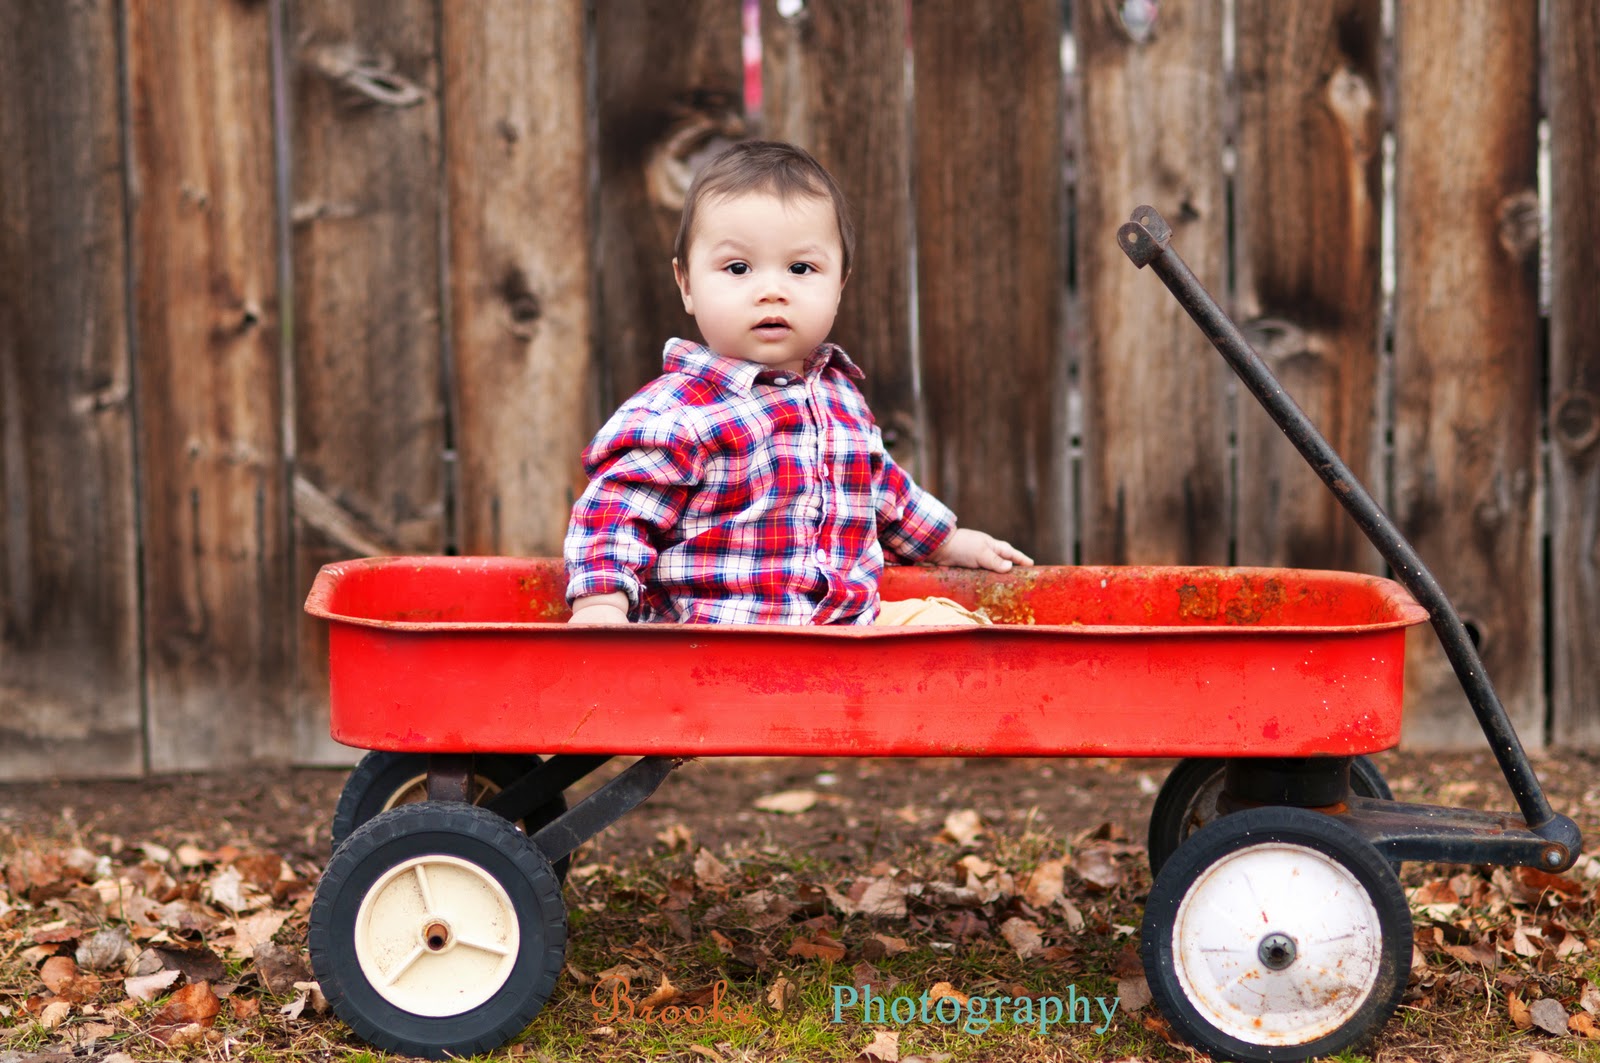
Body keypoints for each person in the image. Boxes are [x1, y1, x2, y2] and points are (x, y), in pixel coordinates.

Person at [564, 140, 1031, 626]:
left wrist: (950, 541)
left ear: (839, 285)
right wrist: (602, 603)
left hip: (844, 628)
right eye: (738, 268)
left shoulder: (840, 398)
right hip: (720, 638)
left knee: (955, 633)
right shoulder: (679, 412)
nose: (772, 291)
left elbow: (881, 490)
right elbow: (616, 511)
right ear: (686, 285)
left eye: (801, 269)